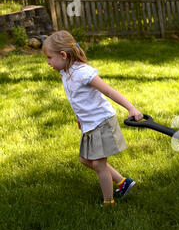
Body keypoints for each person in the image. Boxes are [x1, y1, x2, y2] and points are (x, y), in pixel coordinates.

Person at [42, 30, 143, 206]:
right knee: (85, 159)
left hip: (102, 121)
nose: (48, 62)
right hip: (90, 123)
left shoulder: (83, 72)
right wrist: (80, 118)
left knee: (98, 164)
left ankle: (108, 202)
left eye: (49, 58)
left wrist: (131, 108)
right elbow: (77, 98)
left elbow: (108, 91)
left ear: (63, 55)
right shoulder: (66, 73)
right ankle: (122, 182)